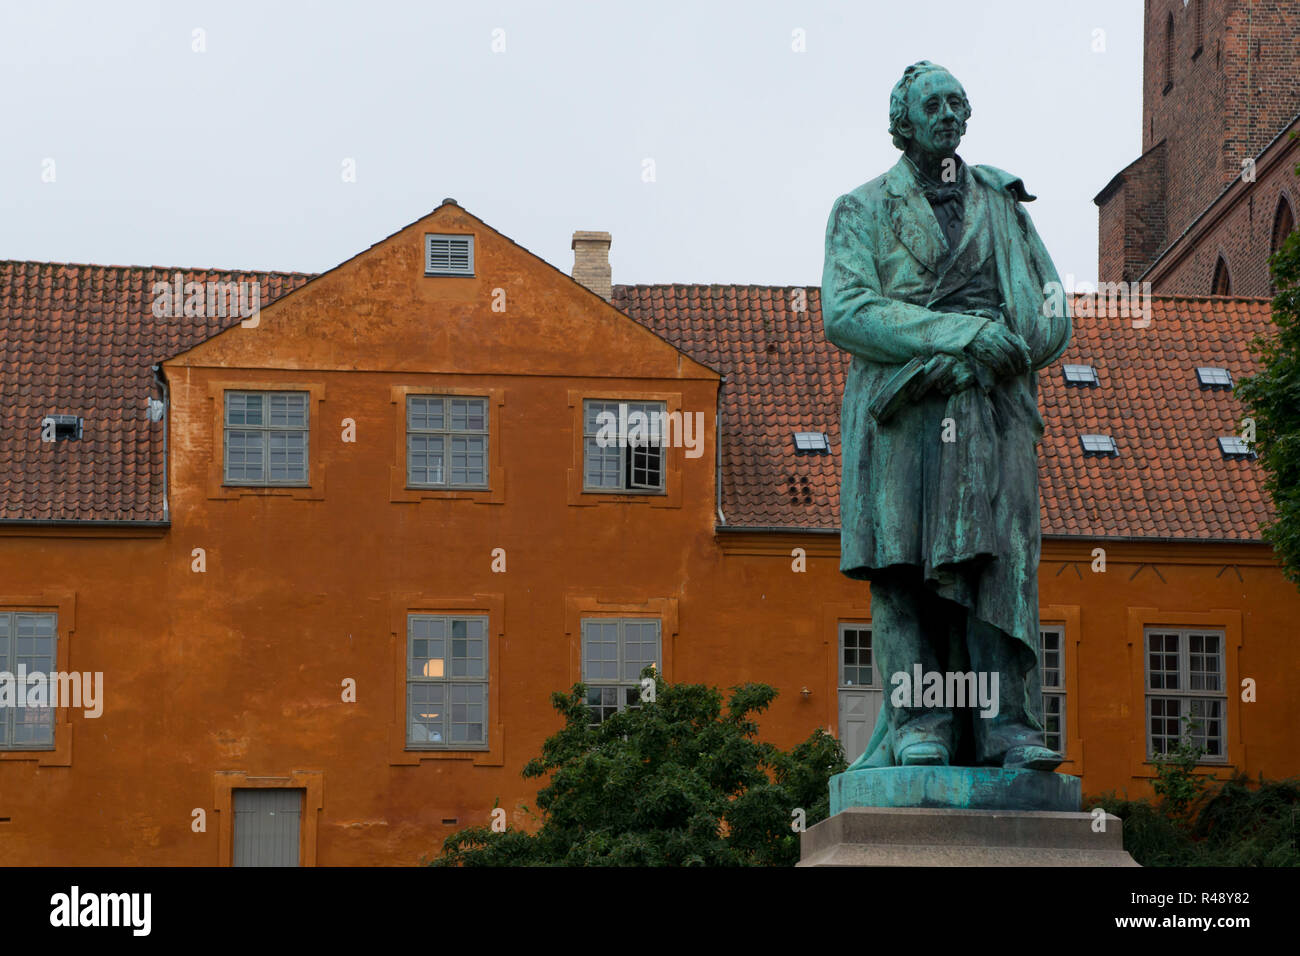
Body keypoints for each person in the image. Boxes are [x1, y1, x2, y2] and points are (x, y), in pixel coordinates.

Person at [821, 61, 1071, 771]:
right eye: (933, 104)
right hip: (901, 415)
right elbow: (848, 311)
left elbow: (1054, 308)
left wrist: (1006, 349)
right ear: (903, 121)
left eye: (958, 103)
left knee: (998, 566)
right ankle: (919, 722)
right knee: (901, 568)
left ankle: (1007, 726)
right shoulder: (861, 209)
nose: (948, 114)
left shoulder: (1002, 204)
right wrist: (961, 335)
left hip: (992, 407)